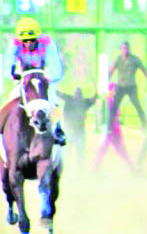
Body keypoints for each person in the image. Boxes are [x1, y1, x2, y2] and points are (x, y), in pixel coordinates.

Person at [4, 17, 67, 145]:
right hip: (24, 76)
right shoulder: (14, 43)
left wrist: (50, 78)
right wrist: (12, 73)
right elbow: (7, 64)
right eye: (24, 41)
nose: (28, 44)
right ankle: (4, 128)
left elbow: (55, 68)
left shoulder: (48, 43)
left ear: (37, 38)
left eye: (31, 40)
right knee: (11, 98)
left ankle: (57, 128)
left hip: (42, 75)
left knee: (54, 98)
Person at [107, 41, 147, 132]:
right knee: (114, 107)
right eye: (123, 48)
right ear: (121, 49)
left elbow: (143, 68)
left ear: (129, 49)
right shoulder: (118, 59)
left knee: (137, 105)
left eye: (126, 48)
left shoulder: (134, 59)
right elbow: (111, 70)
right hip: (120, 86)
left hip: (131, 86)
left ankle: (145, 125)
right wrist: (106, 79)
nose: (125, 50)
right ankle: (108, 128)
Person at [94, 83, 136, 172]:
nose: (115, 91)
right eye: (113, 90)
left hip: (115, 129)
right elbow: (107, 115)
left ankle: (132, 168)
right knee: (105, 149)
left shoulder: (112, 100)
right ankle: (95, 169)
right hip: (111, 129)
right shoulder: (108, 101)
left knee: (120, 150)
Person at [58, 88, 98, 165]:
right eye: (77, 93)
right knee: (67, 150)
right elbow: (58, 93)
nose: (78, 95)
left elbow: (94, 98)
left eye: (80, 94)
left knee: (80, 151)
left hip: (79, 131)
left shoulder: (84, 102)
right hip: (69, 130)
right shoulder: (69, 99)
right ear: (74, 94)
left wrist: (95, 86)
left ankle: (80, 169)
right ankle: (64, 166)